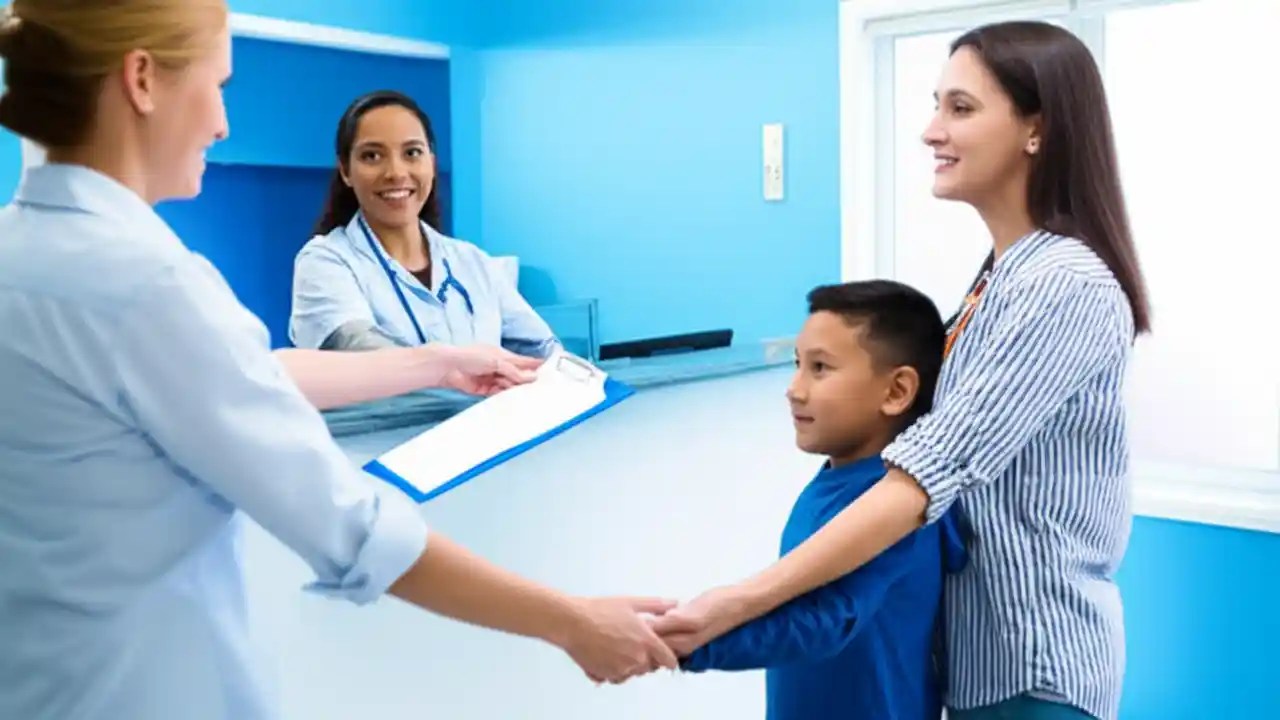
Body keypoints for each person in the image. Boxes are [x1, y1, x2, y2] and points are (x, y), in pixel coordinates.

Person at [0, 3, 674, 719]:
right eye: (219, 83)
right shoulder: (151, 287)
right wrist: (573, 622)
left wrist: (439, 361)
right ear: (141, 79)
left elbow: (259, 372)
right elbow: (352, 530)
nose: (222, 122)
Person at [653, 21, 1149, 720]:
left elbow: (926, 475)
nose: (931, 130)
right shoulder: (998, 281)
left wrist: (738, 602)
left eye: (961, 108)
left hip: (1034, 667)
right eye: (936, 104)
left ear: (1037, 129)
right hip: (983, 667)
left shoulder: (1064, 284)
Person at [677, 280, 967, 720]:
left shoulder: (896, 512)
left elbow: (825, 623)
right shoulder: (835, 480)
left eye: (820, 368)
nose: (795, 388)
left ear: (896, 392)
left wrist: (687, 642)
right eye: (797, 364)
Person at [290, 90, 559, 357]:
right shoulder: (325, 262)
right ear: (346, 171)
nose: (395, 172)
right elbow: (359, 352)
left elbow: (545, 353)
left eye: (412, 152)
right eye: (372, 156)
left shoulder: (473, 262)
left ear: (431, 163)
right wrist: (470, 375)